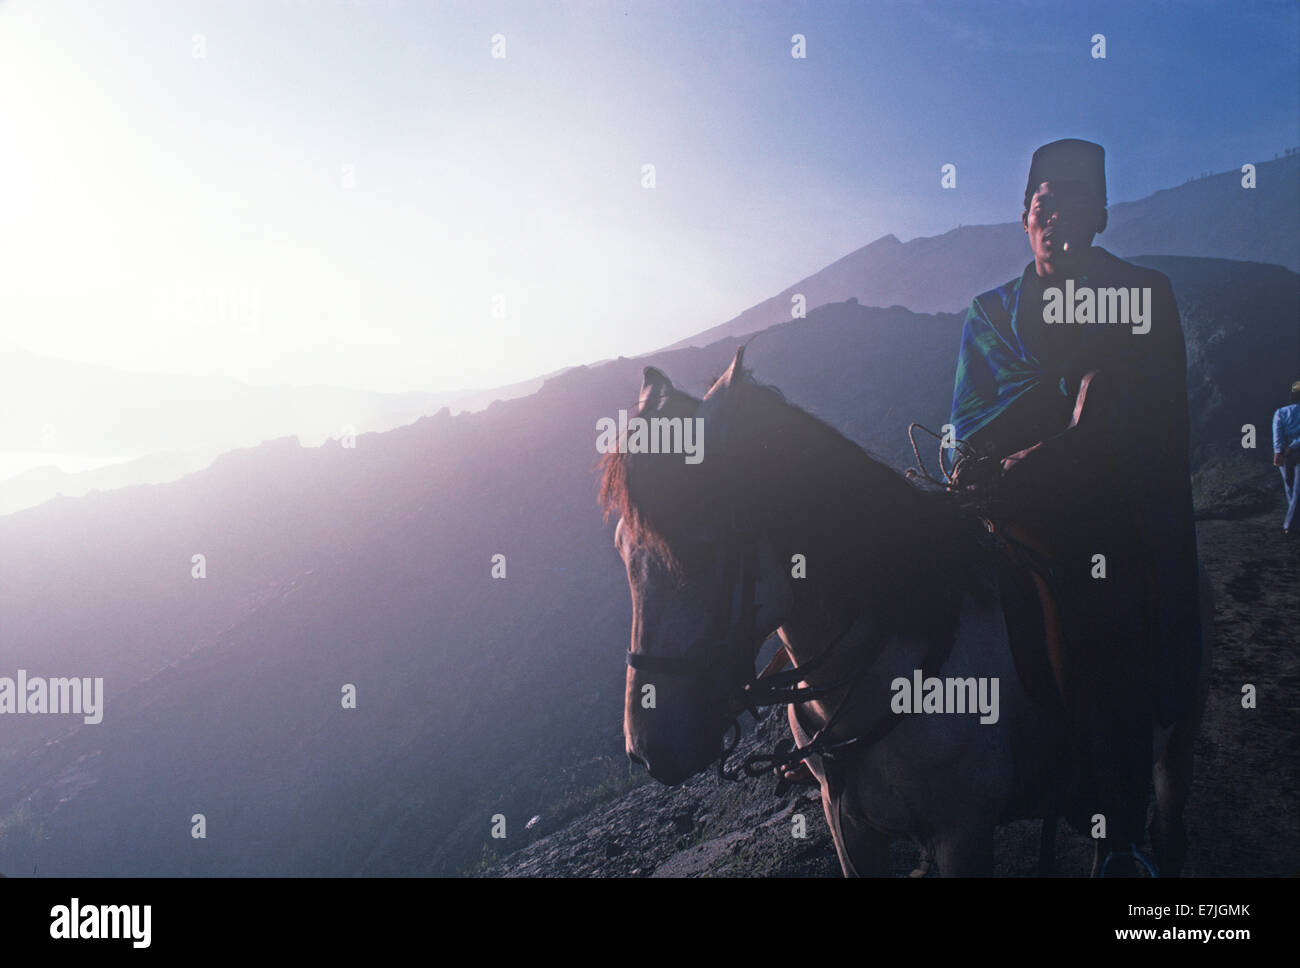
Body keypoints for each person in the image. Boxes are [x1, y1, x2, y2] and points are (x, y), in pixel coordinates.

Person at [946, 139, 1203, 871]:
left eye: (1073, 201)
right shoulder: (988, 315)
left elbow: (1140, 421)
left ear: (1102, 216)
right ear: (1024, 217)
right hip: (998, 506)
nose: (1055, 215)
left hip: (1103, 513)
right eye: (1042, 202)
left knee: (1105, 616)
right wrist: (1063, 408)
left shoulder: (1142, 296)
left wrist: (1063, 449)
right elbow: (969, 422)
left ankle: (1118, 833)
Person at [1274, 381, 1300, 536]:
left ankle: (1291, 524)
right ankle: (1291, 524)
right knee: (1297, 490)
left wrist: (1278, 451)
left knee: (1290, 488)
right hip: (1295, 452)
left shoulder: (1280, 412)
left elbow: (1277, 434)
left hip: (1285, 454)